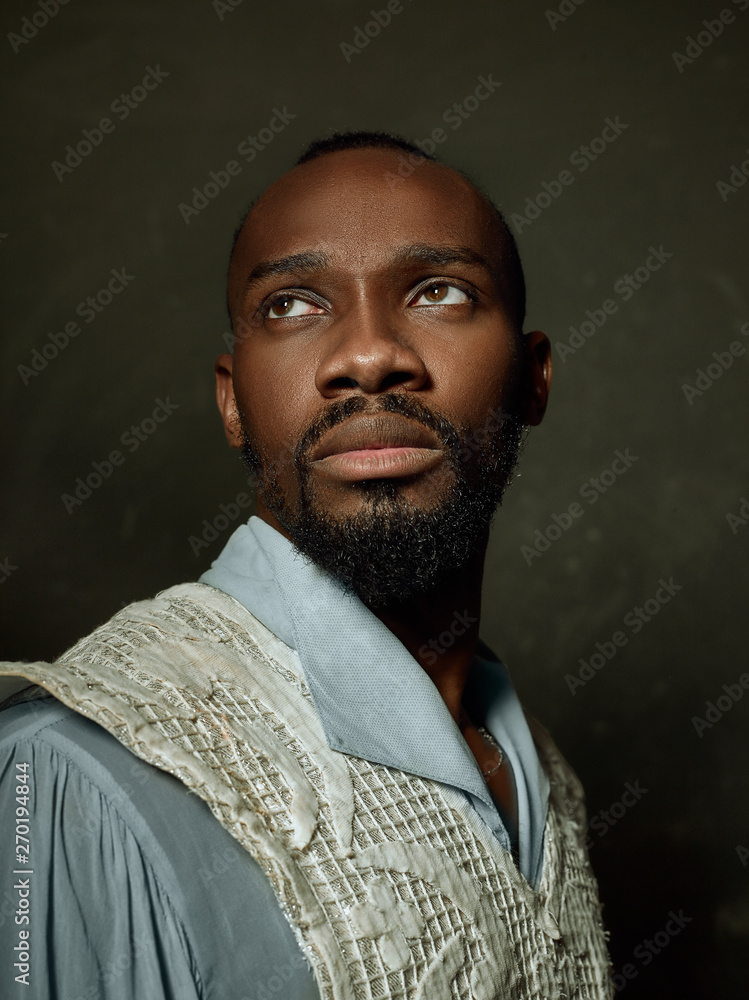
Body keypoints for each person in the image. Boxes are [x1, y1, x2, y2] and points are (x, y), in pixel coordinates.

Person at [0, 131, 612, 999]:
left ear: (533, 377)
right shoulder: (76, 778)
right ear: (231, 402)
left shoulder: (542, 774)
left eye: (439, 291)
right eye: (291, 304)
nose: (368, 356)